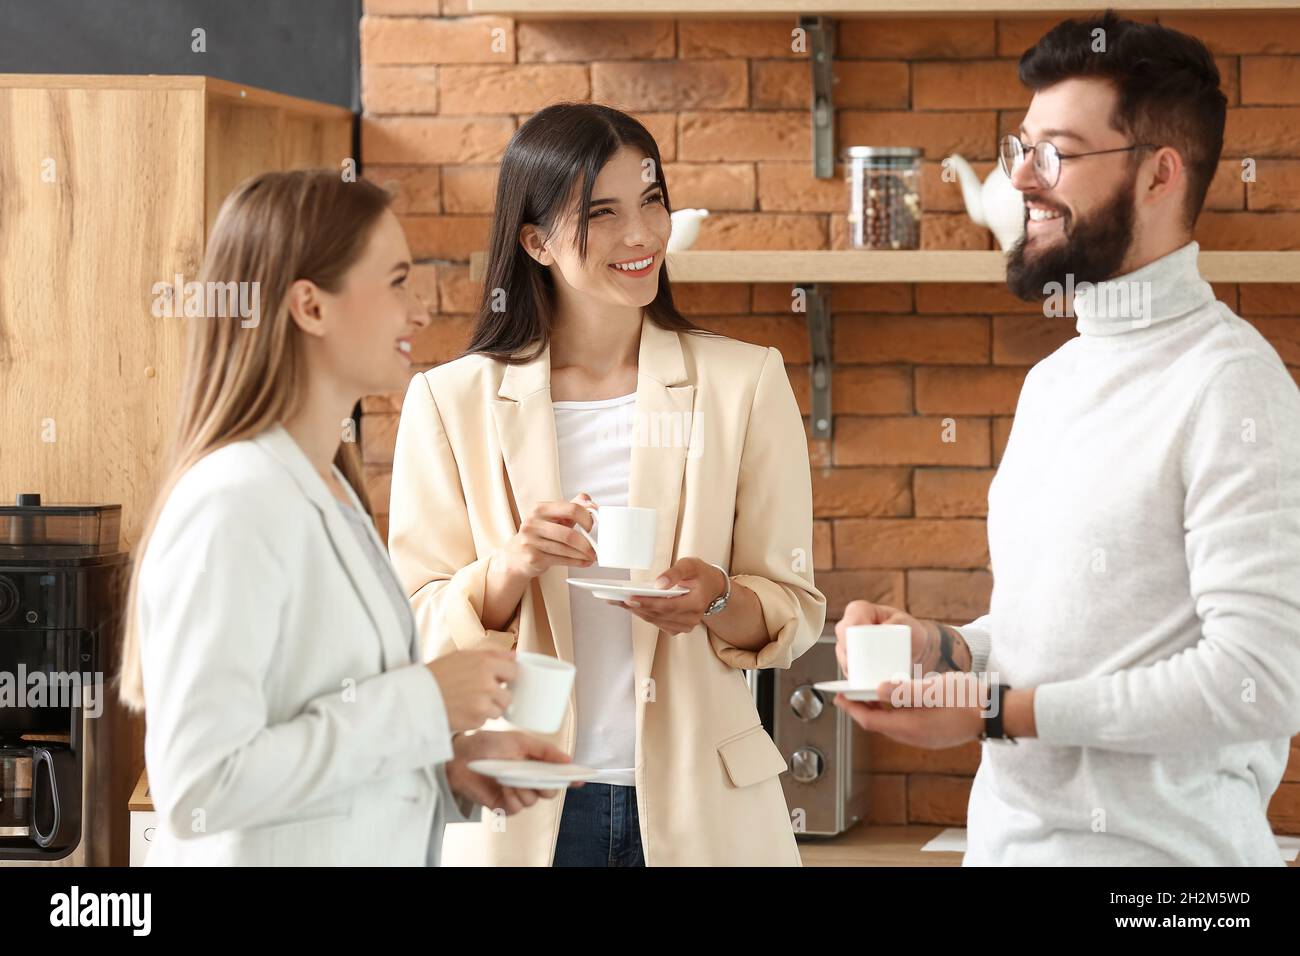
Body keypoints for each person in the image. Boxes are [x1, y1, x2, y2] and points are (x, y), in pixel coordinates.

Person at [835, 12, 1300, 866]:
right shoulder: (1054, 381)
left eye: (1056, 152)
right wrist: (945, 651)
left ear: (1160, 176)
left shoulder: (1234, 385)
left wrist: (990, 711)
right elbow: (1061, 633)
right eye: (1021, 146)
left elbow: (1259, 682)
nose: (1018, 178)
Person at [388, 103, 826, 866]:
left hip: (706, 814)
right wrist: (512, 568)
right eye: (603, 213)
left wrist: (717, 597)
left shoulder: (745, 382)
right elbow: (416, 624)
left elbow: (794, 609)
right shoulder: (450, 401)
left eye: (652, 201)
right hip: (522, 811)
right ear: (535, 240)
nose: (641, 236)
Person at [119, 170, 572, 866]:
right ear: (311, 306)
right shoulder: (234, 502)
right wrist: (424, 706)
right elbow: (199, 784)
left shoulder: (328, 487)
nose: (420, 312)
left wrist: (445, 766)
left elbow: (317, 743)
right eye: (396, 281)